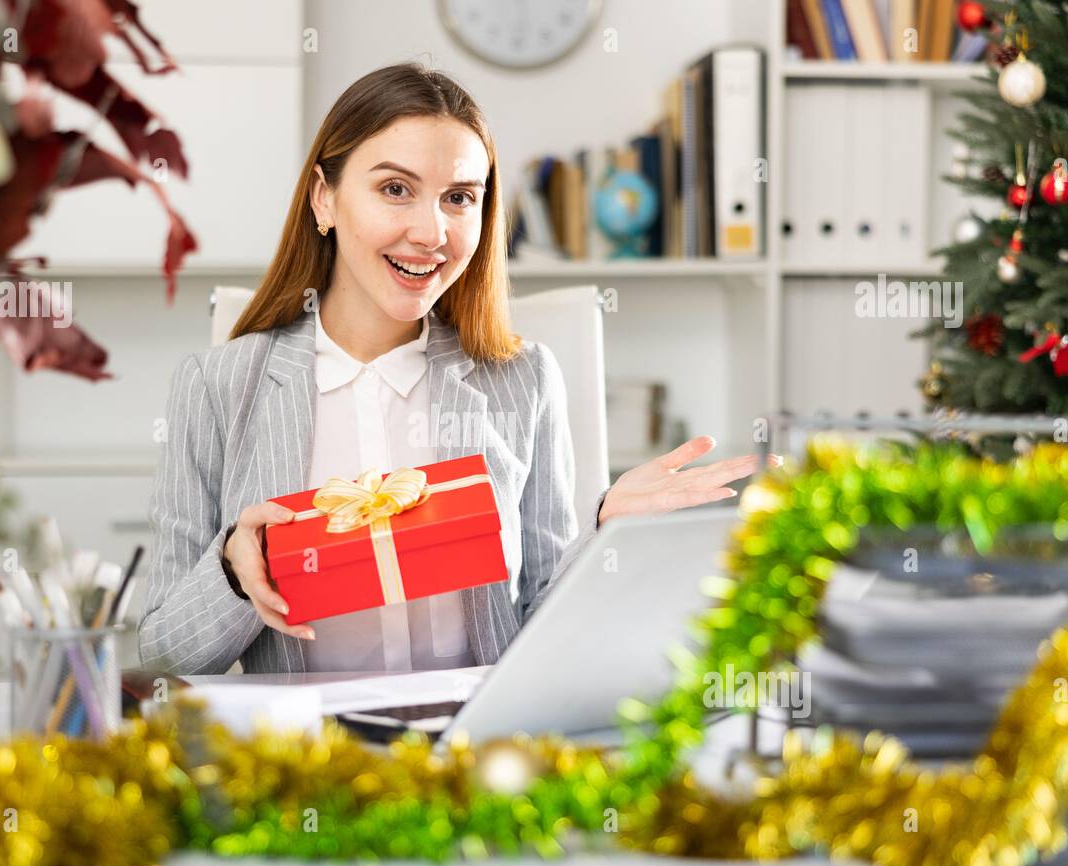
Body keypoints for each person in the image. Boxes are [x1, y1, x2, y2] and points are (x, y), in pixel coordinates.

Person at [139, 62, 777, 675]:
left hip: (468, 753)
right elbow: (164, 660)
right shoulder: (218, 387)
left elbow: (537, 629)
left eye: (459, 197)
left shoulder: (523, 379)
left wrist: (607, 535)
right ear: (324, 200)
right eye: (395, 189)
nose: (431, 231)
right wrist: (231, 570)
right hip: (307, 764)